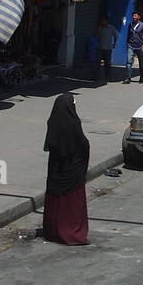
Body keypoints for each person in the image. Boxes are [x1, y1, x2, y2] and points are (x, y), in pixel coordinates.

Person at [42, 93, 90, 245]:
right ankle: (72, 232)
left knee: (55, 203)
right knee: (71, 205)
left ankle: (53, 231)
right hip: (73, 174)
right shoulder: (73, 124)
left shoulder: (53, 121)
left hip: (56, 171)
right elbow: (81, 145)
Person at [125, 12, 143, 83]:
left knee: (141, 63)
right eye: (133, 16)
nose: (134, 17)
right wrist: (127, 43)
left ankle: (142, 77)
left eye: (135, 16)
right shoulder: (130, 25)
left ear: (139, 17)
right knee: (129, 62)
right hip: (131, 46)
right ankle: (128, 78)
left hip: (139, 47)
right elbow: (128, 35)